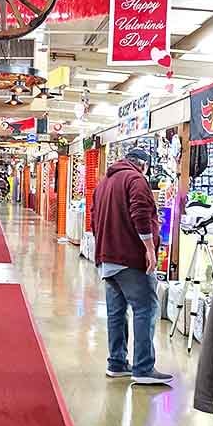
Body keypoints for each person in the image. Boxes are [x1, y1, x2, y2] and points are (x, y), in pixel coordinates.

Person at [91, 148, 173, 386]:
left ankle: (117, 363)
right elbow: (141, 213)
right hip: (130, 257)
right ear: (144, 165)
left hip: (108, 258)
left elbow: (94, 218)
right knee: (145, 308)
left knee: (116, 312)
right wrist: (148, 248)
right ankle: (143, 368)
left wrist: (103, 247)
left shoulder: (104, 182)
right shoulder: (136, 180)